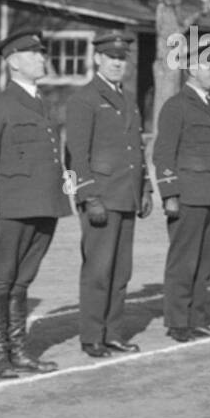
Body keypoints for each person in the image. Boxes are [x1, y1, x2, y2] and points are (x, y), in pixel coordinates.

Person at [0, 30, 69, 377]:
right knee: (1, 281)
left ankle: (20, 351)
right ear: (13, 61)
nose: (41, 58)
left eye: (42, 53)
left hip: (44, 205)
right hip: (11, 209)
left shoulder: (44, 102)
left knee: (23, 282)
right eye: (33, 54)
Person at [64, 31, 153, 358]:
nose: (118, 64)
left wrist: (146, 188)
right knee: (98, 271)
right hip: (100, 197)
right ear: (97, 58)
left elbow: (137, 150)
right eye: (111, 58)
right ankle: (91, 336)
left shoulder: (128, 99)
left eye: (122, 59)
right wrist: (86, 196)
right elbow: (74, 154)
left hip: (126, 195)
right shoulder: (84, 99)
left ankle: (113, 332)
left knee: (121, 271)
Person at [153, 49, 210, 341]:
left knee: (204, 261)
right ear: (191, 69)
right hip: (188, 194)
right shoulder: (177, 106)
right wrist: (169, 193)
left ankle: (198, 317)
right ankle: (177, 322)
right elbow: (163, 153)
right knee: (183, 261)